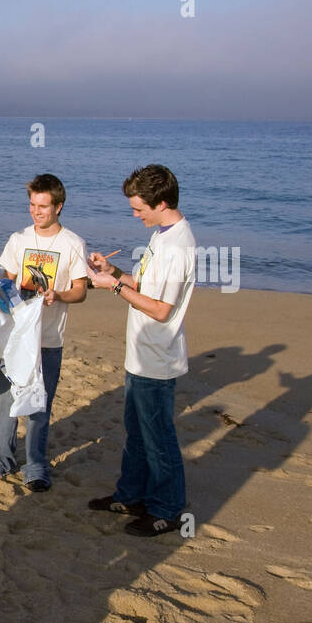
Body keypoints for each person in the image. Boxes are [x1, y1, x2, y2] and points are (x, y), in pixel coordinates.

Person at [85, 164, 196, 536]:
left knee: (158, 438)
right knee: (136, 432)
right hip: (140, 354)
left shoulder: (179, 246)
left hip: (158, 357)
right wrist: (113, 272)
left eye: (139, 208)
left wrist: (111, 288)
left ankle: (166, 509)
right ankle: (131, 495)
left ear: (161, 202)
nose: (135, 215)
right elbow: (145, 286)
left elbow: (161, 309)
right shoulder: (161, 235)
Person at [0, 173, 89, 491]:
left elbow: (81, 290)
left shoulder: (72, 243)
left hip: (48, 338)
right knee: (2, 400)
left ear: (58, 206)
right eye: (32, 205)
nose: (35, 212)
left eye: (42, 206)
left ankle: (36, 465)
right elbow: (8, 280)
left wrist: (59, 294)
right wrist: (7, 293)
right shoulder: (19, 239)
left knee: (38, 403)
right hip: (14, 336)